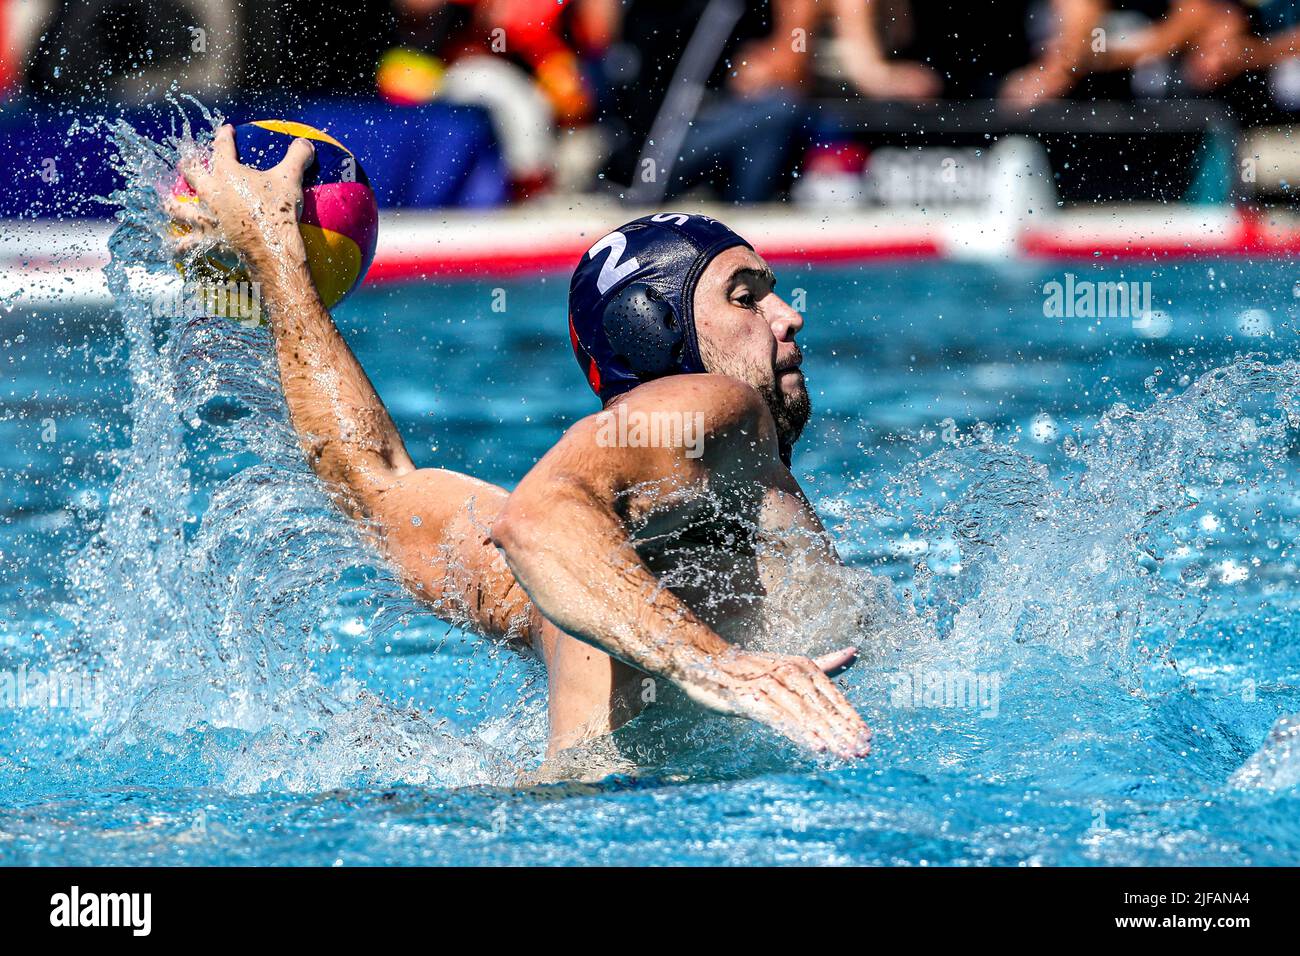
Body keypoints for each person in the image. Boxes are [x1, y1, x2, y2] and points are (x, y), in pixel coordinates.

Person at [166, 125, 875, 766]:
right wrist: (713, 665)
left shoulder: (556, 591)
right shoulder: (723, 408)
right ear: (654, 333)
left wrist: (278, 263)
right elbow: (538, 517)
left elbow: (375, 482)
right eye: (746, 297)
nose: (789, 316)